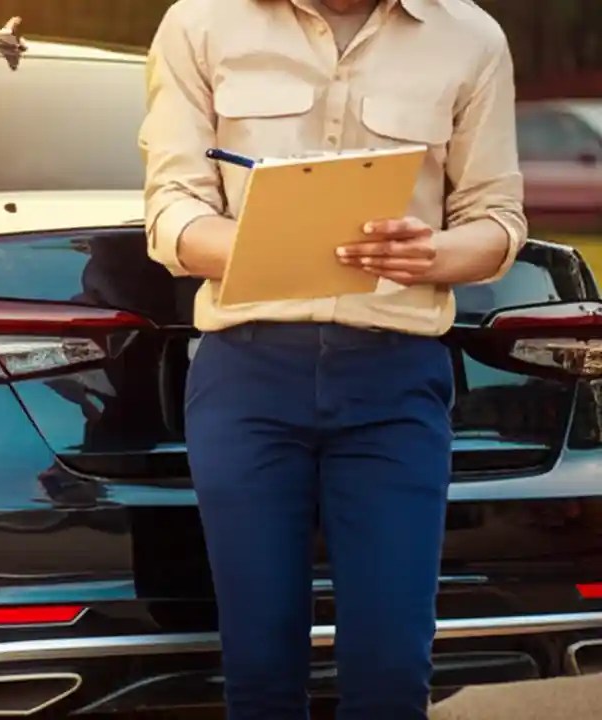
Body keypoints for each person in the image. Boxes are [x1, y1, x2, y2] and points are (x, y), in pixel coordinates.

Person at [139, 1, 525, 719]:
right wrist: (276, 246)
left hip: (395, 381)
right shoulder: (199, 23)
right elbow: (170, 211)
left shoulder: (471, 37)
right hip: (246, 379)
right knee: (260, 670)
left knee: (391, 672)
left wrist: (432, 253)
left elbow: (498, 219)